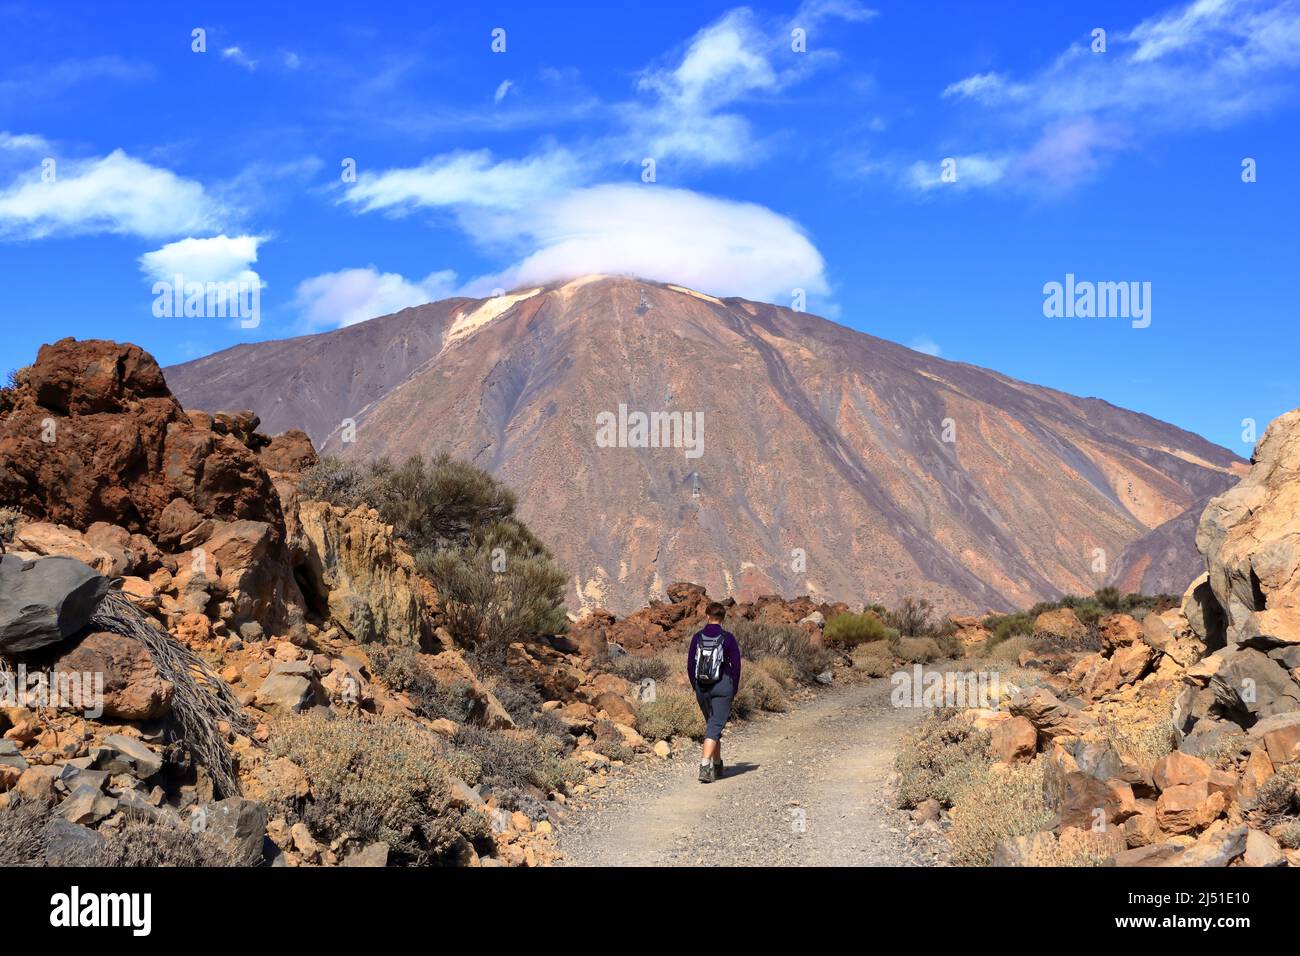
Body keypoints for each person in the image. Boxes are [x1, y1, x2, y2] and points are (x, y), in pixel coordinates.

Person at [687, 601, 740, 783]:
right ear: (723, 618)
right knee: (715, 726)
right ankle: (704, 766)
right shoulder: (728, 638)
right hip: (722, 685)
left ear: (707, 616)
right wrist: (734, 687)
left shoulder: (697, 637)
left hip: (702, 687)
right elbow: (736, 666)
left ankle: (717, 765)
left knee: (712, 725)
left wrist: (696, 685)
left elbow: (690, 664)